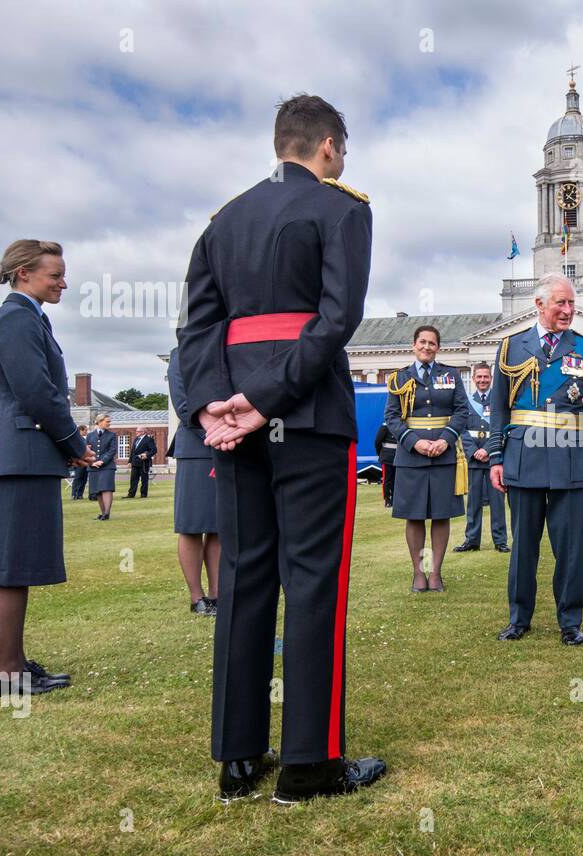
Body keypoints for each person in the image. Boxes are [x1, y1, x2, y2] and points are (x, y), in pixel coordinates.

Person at [177, 92, 385, 804]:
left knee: (243, 579)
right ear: (328, 146)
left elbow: (195, 331)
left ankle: (237, 760)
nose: (343, 160)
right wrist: (266, 400)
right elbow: (336, 320)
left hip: (232, 421)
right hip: (305, 414)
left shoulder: (222, 221)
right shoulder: (342, 208)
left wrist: (215, 405)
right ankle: (307, 765)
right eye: (343, 150)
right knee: (314, 583)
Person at [0, 239, 94, 695]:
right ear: (23, 273)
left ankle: (16, 664)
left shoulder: (27, 318)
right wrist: (74, 442)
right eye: (55, 275)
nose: (63, 283)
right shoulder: (15, 318)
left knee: (17, 565)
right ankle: (6, 673)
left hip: (23, 455)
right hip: (17, 457)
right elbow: (37, 393)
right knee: (9, 567)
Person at [488, 274, 583, 646]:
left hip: (570, 459)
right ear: (539, 305)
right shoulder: (511, 347)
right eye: (561, 303)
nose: (568, 310)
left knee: (570, 548)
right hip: (523, 458)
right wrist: (496, 456)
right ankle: (518, 618)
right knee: (523, 546)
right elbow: (498, 408)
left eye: (572, 303)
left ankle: (570, 621)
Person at [384, 325, 469, 592]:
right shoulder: (399, 379)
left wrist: (445, 439)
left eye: (432, 343)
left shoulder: (451, 375)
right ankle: (419, 572)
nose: (427, 347)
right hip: (412, 457)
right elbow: (392, 417)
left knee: (441, 515)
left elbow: (462, 411)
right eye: (422, 342)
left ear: (438, 348)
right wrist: (414, 441)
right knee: (415, 516)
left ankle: (436, 573)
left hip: (443, 455)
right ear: (414, 345)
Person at [166, 347, 219, 616]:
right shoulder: (181, 354)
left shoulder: (224, 350)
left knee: (219, 526)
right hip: (197, 448)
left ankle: (217, 595)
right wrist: (218, 433)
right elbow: (185, 405)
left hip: (227, 445)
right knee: (191, 525)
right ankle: (197, 597)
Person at [454, 361, 509, 554]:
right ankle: (472, 540)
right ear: (474, 378)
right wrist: (473, 452)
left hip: (494, 458)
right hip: (475, 460)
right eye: (479, 376)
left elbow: (502, 426)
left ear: (491, 378)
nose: (482, 380)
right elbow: (462, 430)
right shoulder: (467, 401)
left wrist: (487, 449)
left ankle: (500, 541)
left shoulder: (499, 400)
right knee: (473, 503)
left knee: (498, 503)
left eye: (486, 376)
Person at [86, 413, 117, 519]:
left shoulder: (112, 435)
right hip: (93, 467)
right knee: (97, 490)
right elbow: (87, 450)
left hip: (107, 466)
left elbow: (112, 450)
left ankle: (107, 513)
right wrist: (91, 462)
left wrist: (102, 461)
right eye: (107, 421)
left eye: (109, 421)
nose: (109, 423)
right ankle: (103, 513)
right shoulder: (90, 435)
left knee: (106, 488)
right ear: (99, 421)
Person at [126, 426, 157, 498]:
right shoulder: (136, 439)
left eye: (138, 431)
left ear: (143, 432)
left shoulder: (149, 439)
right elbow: (132, 451)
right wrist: (129, 461)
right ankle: (131, 494)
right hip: (135, 462)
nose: (136, 432)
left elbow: (154, 450)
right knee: (133, 479)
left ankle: (143, 494)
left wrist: (146, 454)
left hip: (144, 463)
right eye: (136, 431)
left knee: (144, 479)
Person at [374, 421, 397, 507]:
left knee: (394, 480)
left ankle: (393, 500)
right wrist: (381, 454)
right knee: (387, 479)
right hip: (387, 458)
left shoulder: (400, 425)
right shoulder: (385, 426)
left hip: (396, 457)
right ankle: (388, 499)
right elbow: (378, 442)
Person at [69, 425, 89, 499]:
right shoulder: (77, 439)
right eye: (86, 430)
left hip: (86, 462)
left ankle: (80, 494)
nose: (87, 432)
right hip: (79, 462)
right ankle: (74, 494)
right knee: (78, 478)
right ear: (81, 430)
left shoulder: (85, 439)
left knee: (84, 479)